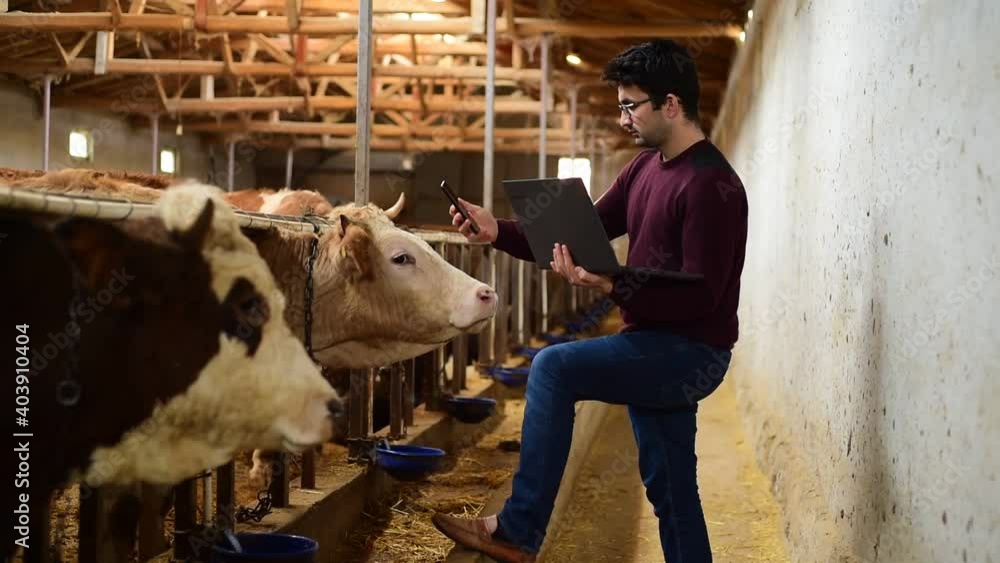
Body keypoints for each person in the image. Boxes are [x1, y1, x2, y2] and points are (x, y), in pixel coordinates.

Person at [432, 39, 749, 563]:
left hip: (691, 351)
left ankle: (517, 530)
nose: (623, 117)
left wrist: (610, 283)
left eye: (631, 105)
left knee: (555, 366)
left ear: (671, 104)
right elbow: (582, 231)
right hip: (651, 341)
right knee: (671, 490)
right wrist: (497, 230)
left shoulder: (713, 186)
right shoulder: (645, 169)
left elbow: (701, 294)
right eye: (620, 104)